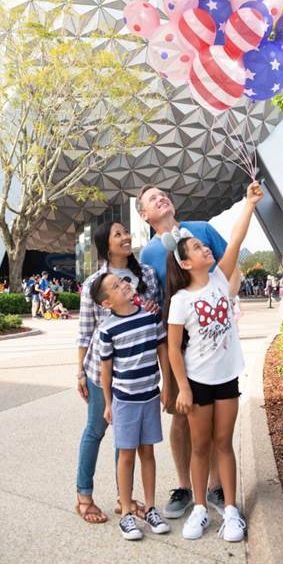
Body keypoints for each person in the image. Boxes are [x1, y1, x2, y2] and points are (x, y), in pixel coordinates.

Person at [164, 181, 264, 542]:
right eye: (196, 247)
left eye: (203, 244)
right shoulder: (180, 300)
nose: (205, 247)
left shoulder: (221, 280)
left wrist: (250, 204)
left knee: (224, 442)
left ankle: (232, 511)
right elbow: (174, 349)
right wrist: (184, 390)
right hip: (198, 382)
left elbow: (235, 240)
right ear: (185, 262)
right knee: (200, 446)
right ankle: (201, 509)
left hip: (226, 378)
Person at [136, 185, 227, 519]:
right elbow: (152, 304)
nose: (162, 198)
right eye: (152, 199)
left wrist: (227, 306)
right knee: (180, 414)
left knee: (212, 413)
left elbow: (230, 267)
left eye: (163, 194)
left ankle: (216, 485)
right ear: (144, 215)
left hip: (213, 341)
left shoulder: (202, 230)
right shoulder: (147, 254)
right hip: (177, 343)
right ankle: (185, 487)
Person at [75, 221, 161, 525]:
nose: (125, 237)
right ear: (105, 245)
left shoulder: (147, 275)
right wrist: (80, 373)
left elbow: (157, 321)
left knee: (126, 441)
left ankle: (123, 500)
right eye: (117, 234)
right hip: (103, 373)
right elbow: (85, 332)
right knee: (96, 431)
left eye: (126, 232)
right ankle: (84, 496)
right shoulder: (95, 283)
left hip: (139, 375)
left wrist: (153, 308)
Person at [92, 272, 172, 540]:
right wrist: (108, 403)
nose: (123, 285)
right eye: (115, 286)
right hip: (124, 401)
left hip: (149, 396)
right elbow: (107, 369)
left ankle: (150, 508)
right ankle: (126, 512)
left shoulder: (149, 317)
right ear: (106, 303)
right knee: (126, 455)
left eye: (122, 281)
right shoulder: (107, 329)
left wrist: (167, 386)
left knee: (147, 452)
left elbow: (162, 350)